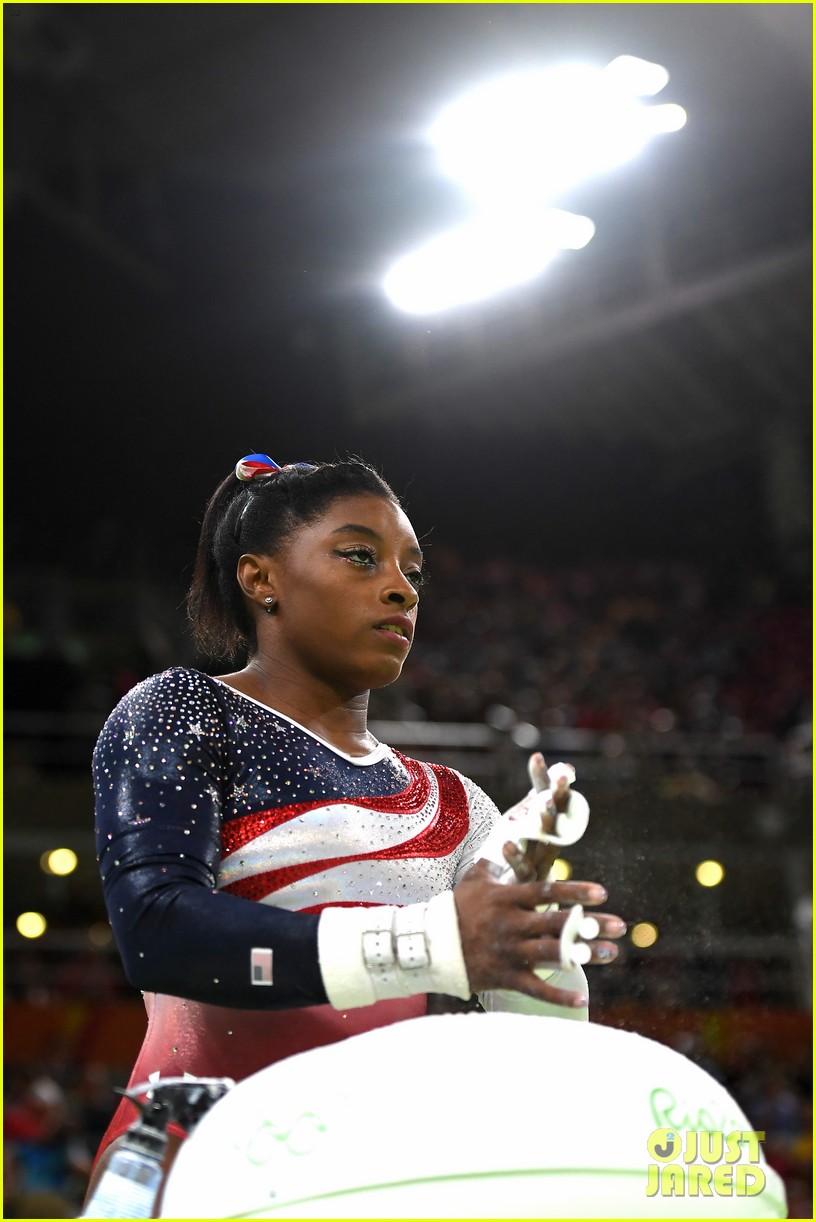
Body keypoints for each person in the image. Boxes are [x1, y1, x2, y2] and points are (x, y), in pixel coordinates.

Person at [90, 452, 625, 1170]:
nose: (401, 589)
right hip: (200, 1163)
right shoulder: (188, 710)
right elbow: (156, 931)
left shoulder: (456, 805)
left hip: (375, 1177)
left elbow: (545, 1061)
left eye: (413, 572)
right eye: (361, 557)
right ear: (261, 579)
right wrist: (433, 942)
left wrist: (539, 947)